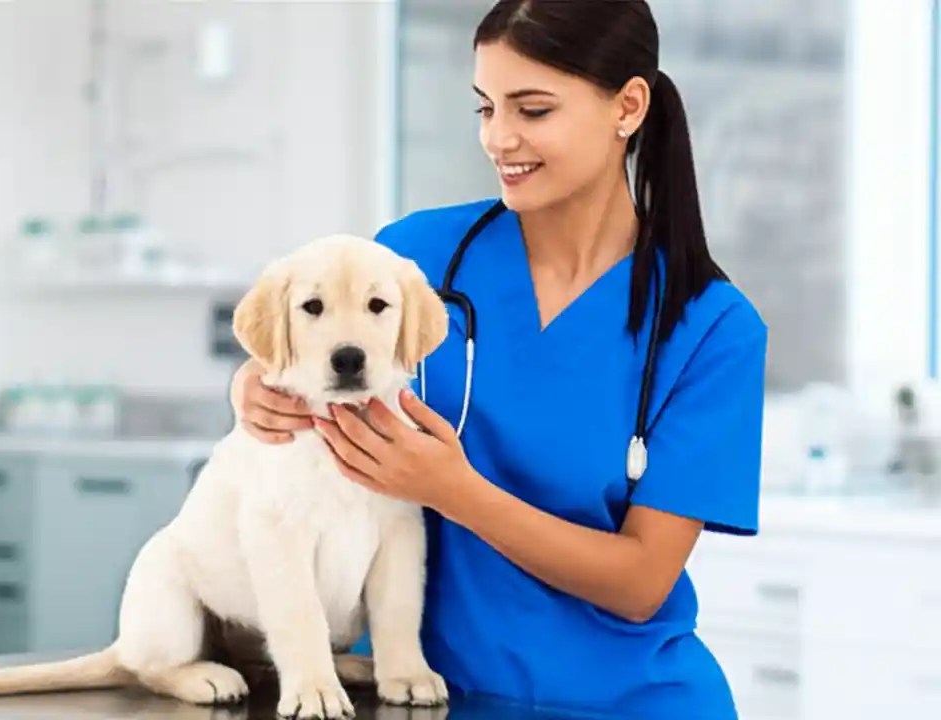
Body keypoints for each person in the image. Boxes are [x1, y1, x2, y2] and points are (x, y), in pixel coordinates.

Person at [230, 1, 767, 718]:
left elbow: (642, 581)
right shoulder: (417, 260)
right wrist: (256, 386)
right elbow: (314, 344)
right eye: (485, 108)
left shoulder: (712, 328)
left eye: (533, 109)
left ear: (628, 107)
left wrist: (455, 490)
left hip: (630, 701)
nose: (499, 138)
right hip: (426, 695)